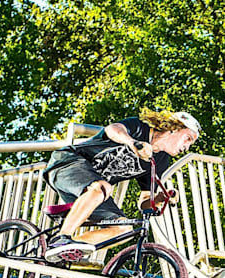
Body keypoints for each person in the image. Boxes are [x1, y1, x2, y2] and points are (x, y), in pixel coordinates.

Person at [41, 109, 201, 263]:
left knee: (124, 229)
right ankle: (62, 238)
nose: (187, 147)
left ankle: (64, 249)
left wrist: (160, 198)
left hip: (93, 192)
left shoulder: (160, 162)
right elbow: (113, 129)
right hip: (67, 163)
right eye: (187, 138)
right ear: (173, 129)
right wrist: (133, 143)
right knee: (102, 187)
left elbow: (144, 201)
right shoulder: (140, 128)